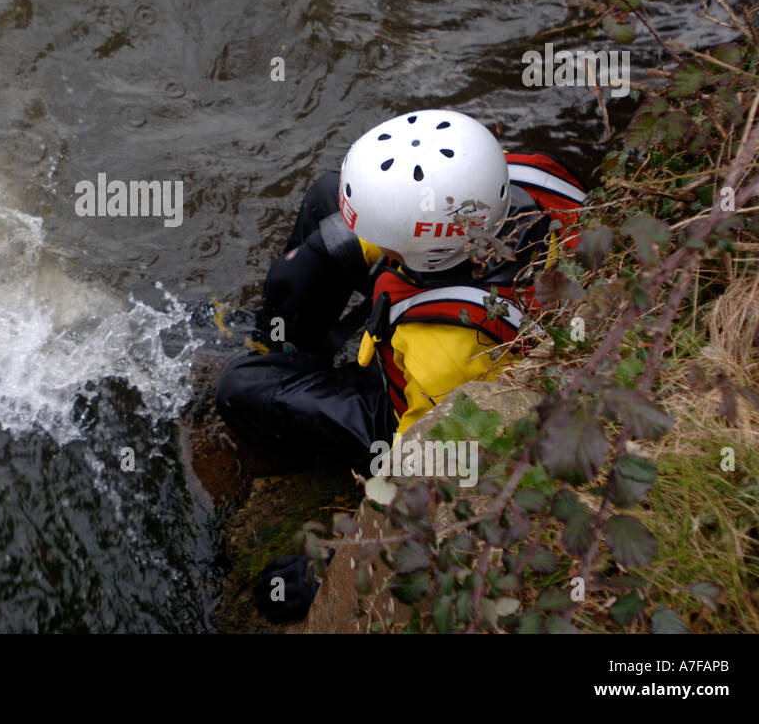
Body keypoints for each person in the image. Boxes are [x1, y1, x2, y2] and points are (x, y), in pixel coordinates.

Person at [217, 108, 587, 476]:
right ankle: (283, 343)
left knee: (240, 387)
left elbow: (419, 454)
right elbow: (442, 214)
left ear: (423, 251)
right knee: (325, 195)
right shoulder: (506, 175)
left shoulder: (442, 354)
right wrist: (321, 251)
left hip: (414, 407)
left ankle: (287, 406)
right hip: (484, 279)